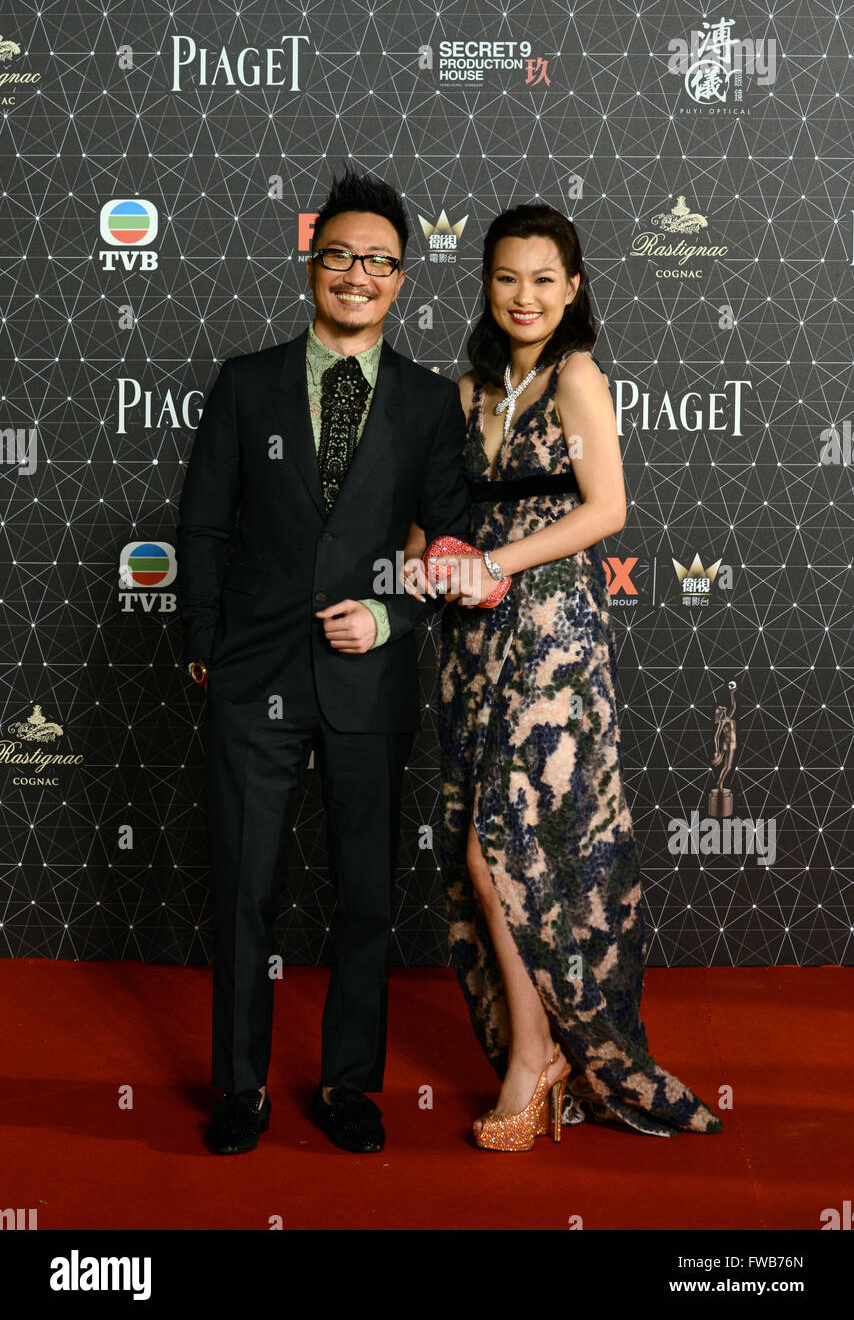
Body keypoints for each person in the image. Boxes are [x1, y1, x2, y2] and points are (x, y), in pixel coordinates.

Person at [403, 204, 724, 1147]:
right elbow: (438, 509)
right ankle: (535, 1051)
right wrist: (423, 561)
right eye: (508, 277)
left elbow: (607, 508)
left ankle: (537, 1058)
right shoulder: (467, 391)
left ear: (573, 287)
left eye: (545, 279)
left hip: (553, 635)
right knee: (480, 845)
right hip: (472, 639)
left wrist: (496, 562)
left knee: (502, 847)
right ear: (486, 283)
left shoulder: (577, 376)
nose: (525, 296)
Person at [177, 166, 469, 1155]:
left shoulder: (429, 403)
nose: (356, 274)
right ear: (311, 263)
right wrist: (203, 646)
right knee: (242, 888)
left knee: (366, 894)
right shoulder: (246, 382)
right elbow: (204, 526)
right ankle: (241, 1086)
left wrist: (387, 616)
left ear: (400, 280)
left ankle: (348, 1083)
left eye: (378, 261)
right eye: (339, 255)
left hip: (368, 681)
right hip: (251, 672)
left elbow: (453, 544)